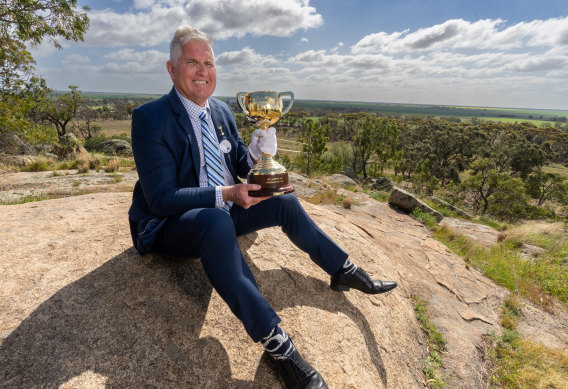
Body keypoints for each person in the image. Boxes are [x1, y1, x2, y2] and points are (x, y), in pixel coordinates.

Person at [128, 25, 397, 389]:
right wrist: (227, 194)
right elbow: (160, 198)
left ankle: (343, 269)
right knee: (214, 222)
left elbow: (239, 164)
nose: (203, 70)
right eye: (192, 62)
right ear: (172, 69)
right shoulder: (150, 118)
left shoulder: (220, 111)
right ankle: (278, 345)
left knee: (284, 200)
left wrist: (256, 152)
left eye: (208, 62)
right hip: (174, 224)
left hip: (221, 212)